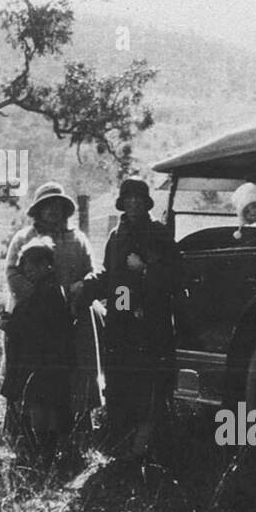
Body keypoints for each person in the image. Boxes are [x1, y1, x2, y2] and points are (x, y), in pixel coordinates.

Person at [82, 177, 178, 460]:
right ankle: (120, 445)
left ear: (146, 202)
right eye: (128, 198)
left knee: (149, 385)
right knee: (119, 381)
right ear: (122, 203)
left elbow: (174, 276)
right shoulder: (116, 235)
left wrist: (147, 269)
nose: (133, 202)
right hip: (120, 321)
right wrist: (84, 288)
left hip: (150, 322)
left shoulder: (158, 233)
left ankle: (145, 448)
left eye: (138, 198)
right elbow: (110, 277)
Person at [3, 182, 99, 448]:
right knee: (30, 379)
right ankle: (25, 439)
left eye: (58, 206)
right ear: (38, 210)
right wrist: (38, 299)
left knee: (73, 375)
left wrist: (83, 285)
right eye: (47, 206)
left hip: (72, 320)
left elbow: (92, 271)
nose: (53, 211)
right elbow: (12, 272)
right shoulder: (23, 238)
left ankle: (75, 440)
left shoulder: (77, 239)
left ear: (65, 210)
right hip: (33, 323)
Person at [1, 239, 75, 466]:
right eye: (26, 267)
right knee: (42, 404)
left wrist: (11, 324)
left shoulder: (48, 292)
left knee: (42, 406)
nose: (28, 271)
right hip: (44, 358)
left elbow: (37, 325)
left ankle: (45, 452)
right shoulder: (42, 290)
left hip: (45, 360)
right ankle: (44, 451)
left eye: (33, 266)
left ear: (47, 266)